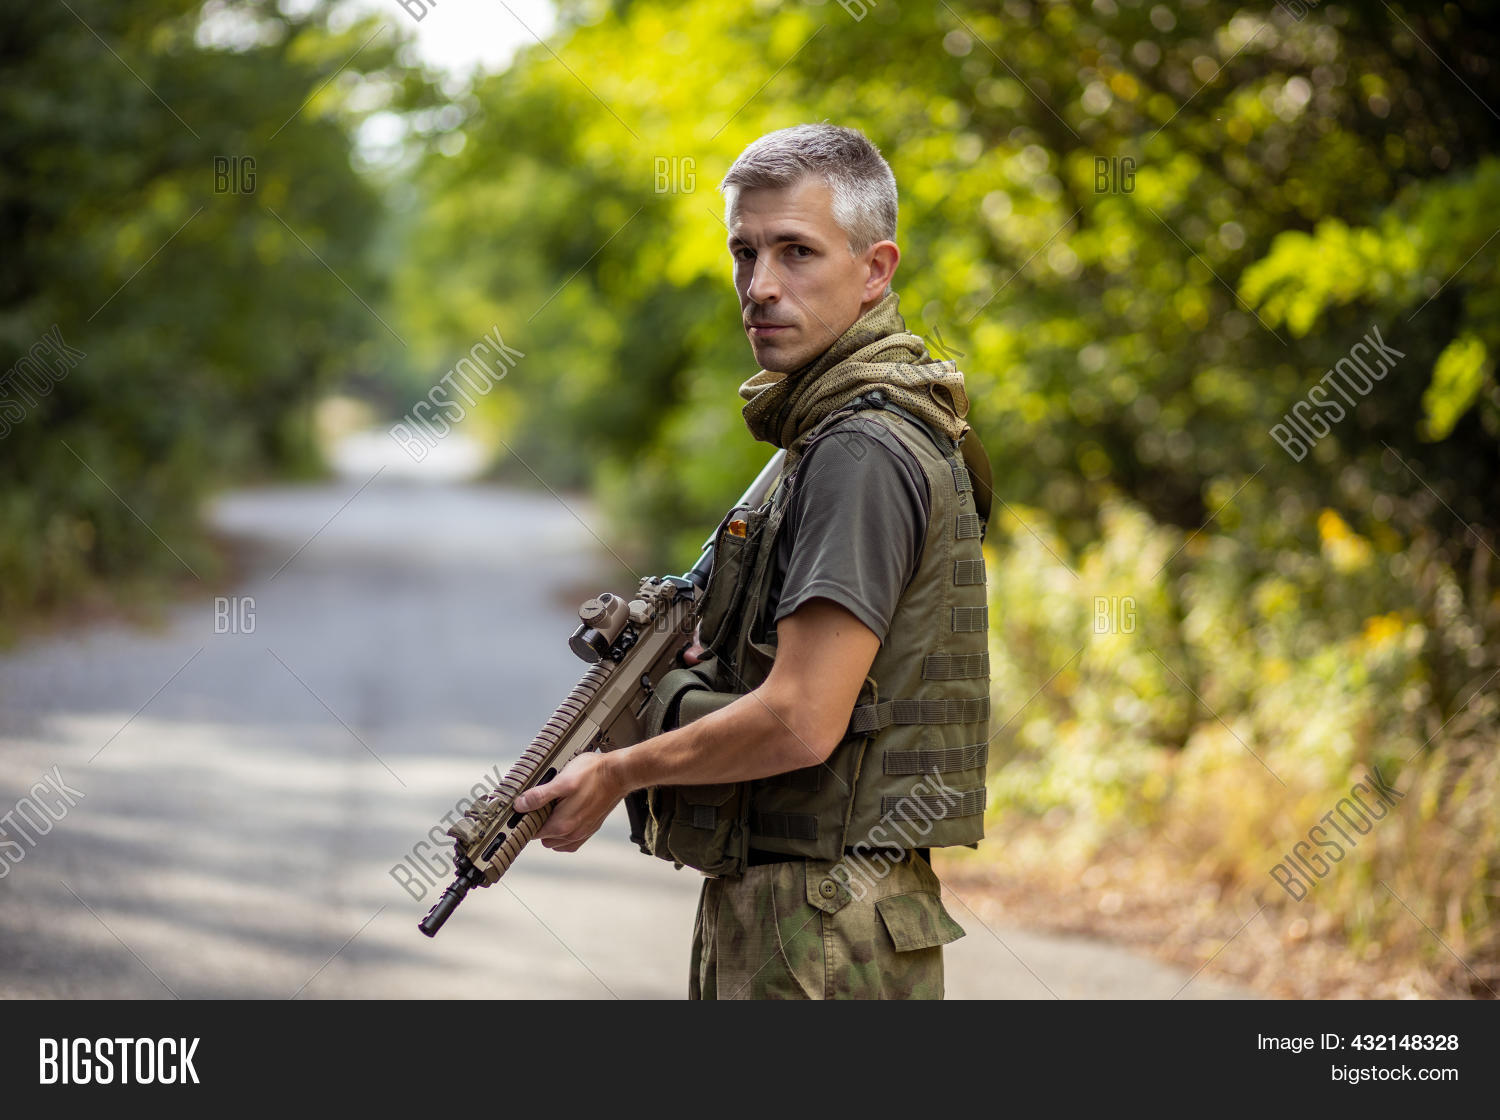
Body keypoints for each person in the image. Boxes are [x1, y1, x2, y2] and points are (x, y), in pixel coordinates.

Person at [514, 123, 990, 999]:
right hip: (803, 912)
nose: (760, 287)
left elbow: (803, 719)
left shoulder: (861, 449)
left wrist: (619, 769)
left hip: (817, 926)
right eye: (744, 252)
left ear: (875, 269)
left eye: (797, 252)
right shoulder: (822, 434)